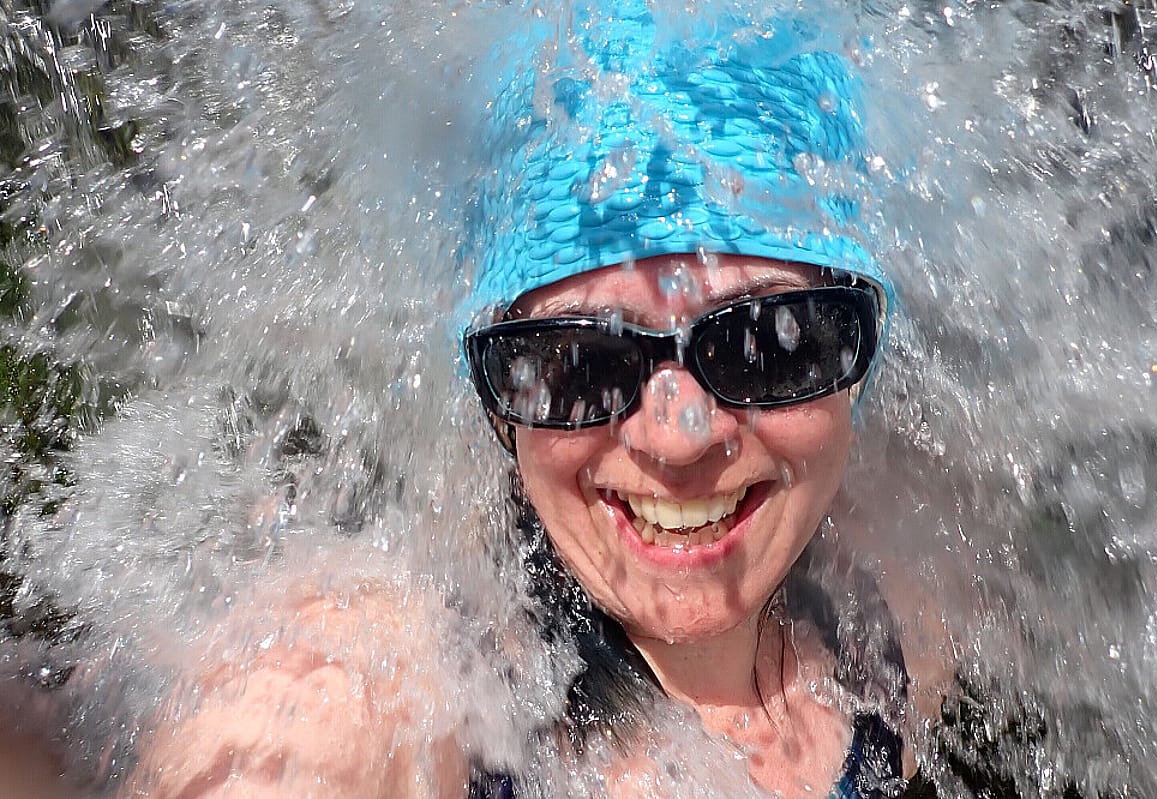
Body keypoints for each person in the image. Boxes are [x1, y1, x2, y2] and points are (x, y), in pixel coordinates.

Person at [131, 3, 916, 797]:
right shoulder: (400, 692)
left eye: (769, 342)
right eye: (582, 364)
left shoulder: (885, 638)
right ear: (498, 404)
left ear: (861, 354)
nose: (678, 439)